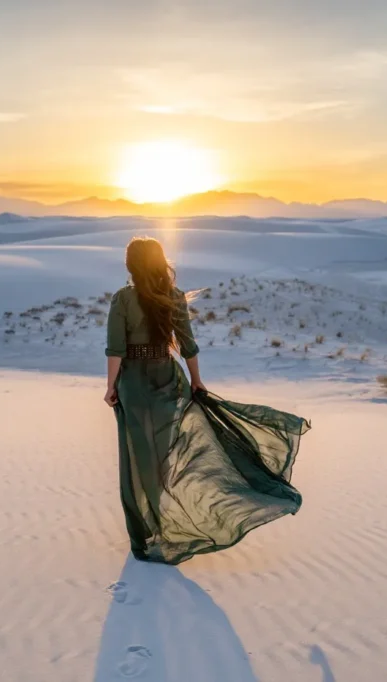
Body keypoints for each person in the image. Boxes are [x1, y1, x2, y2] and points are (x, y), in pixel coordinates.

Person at [104, 236, 311, 564]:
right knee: (165, 453)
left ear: (130, 265)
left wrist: (110, 386)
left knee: (138, 455)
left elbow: (116, 348)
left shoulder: (123, 300)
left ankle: (148, 528)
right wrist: (197, 381)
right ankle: (165, 519)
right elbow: (188, 345)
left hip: (134, 384)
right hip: (168, 379)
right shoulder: (172, 297)